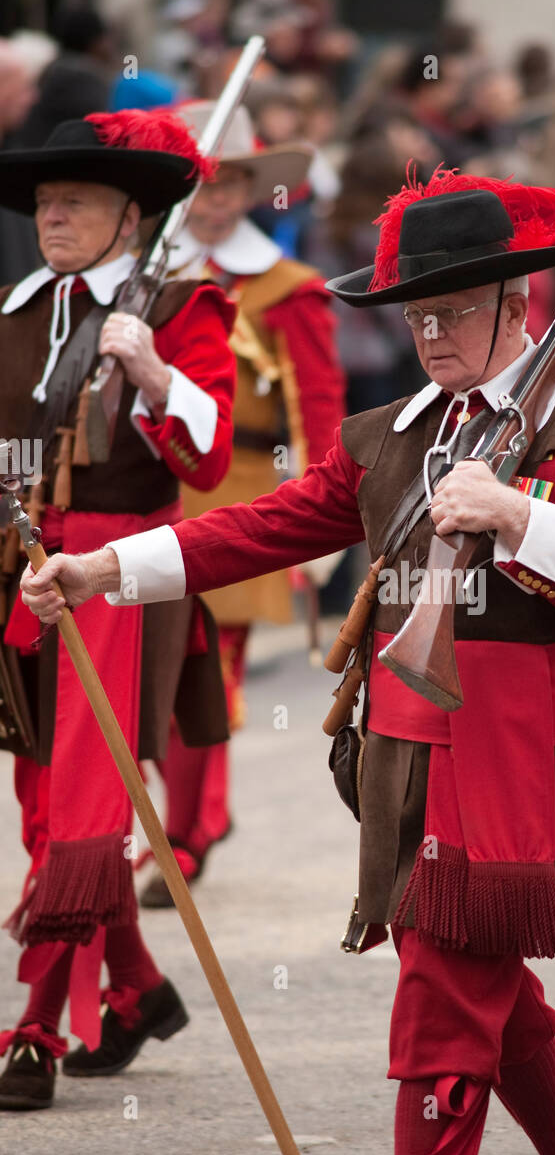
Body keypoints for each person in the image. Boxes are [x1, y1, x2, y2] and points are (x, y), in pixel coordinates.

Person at [20, 170, 555, 1155]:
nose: (429, 332)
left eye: (451, 310)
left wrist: (511, 512)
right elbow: (255, 527)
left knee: (447, 991)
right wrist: (103, 569)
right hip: (400, 740)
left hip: (511, 752)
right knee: (469, 979)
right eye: (416, 312)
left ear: (517, 306)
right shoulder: (387, 435)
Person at [0, 108, 236, 1110]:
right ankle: (135, 990)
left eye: (75, 202)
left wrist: (150, 369)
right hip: (23, 573)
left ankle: (34, 1030)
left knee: (83, 815)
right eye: (45, 201)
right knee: (43, 809)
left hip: (124, 573)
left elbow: (210, 453)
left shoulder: (183, 305)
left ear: (129, 217)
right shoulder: (15, 308)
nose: (52, 216)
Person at [135, 99, 345, 907]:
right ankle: (169, 821)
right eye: (201, 185)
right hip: (152, 486)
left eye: (229, 185)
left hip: (246, 493)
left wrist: (320, 511)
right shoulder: (150, 277)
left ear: (256, 190)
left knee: (205, 670)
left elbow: (321, 408)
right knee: (140, 668)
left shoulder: (289, 289)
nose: (214, 201)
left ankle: (188, 834)